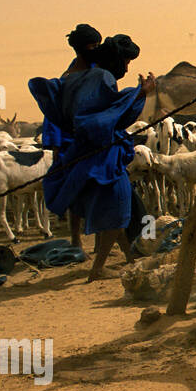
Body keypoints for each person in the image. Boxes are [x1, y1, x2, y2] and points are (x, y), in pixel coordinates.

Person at [28, 35, 156, 279]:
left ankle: (129, 256)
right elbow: (110, 115)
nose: (127, 67)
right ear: (117, 60)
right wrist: (141, 93)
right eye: (126, 62)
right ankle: (98, 269)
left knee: (117, 205)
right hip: (101, 156)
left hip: (84, 152)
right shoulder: (102, 78)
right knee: (118, 205)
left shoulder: (76, 77)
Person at [43, 24, 103, 244]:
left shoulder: (97, 73)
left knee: (98, 190)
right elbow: (55, 116)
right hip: (74, 144)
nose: (97, 49)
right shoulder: (69, 78)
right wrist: (57, 147)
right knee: (75, 193)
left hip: (94, 142)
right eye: (94, 45)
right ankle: (77, 241)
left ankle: (97, 242)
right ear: (85, 47)